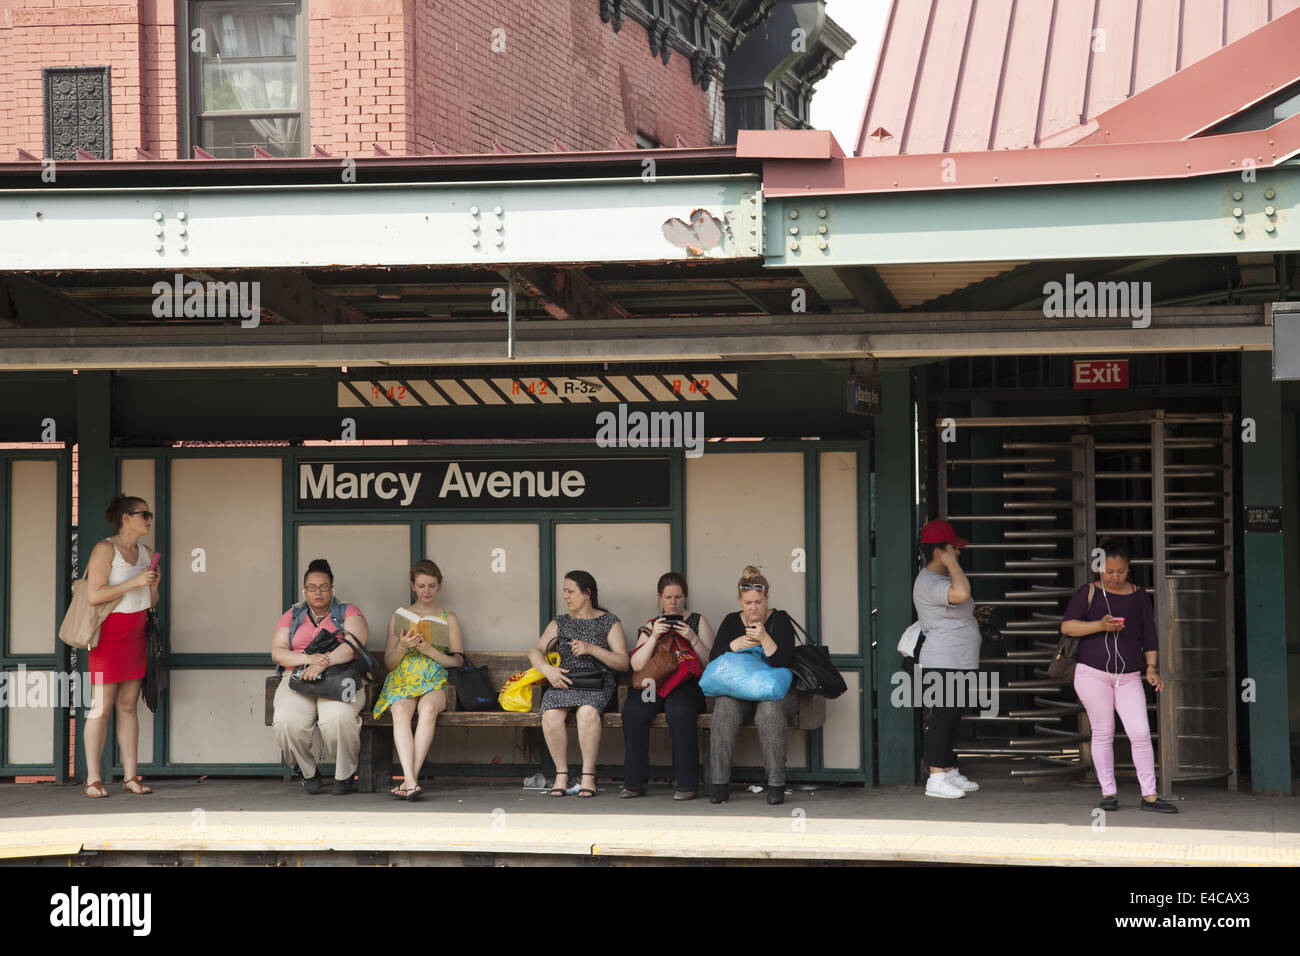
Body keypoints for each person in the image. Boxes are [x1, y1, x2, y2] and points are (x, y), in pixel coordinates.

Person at [1061, 540, 1176, 813]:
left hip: (1129, 675)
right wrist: (1099, 625)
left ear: (1129, 569)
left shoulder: (1139, 595)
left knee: (1140, 732)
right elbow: (1067, 626)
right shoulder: (1087, 592)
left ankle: (1149, 795)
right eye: (1109, 571)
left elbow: (1149, 633)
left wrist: (1152, 669)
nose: (1114, 577)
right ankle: (1108, 793)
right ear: (1099, 568)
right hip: (1092, 673)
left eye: (1121, 571)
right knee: (1103, 731)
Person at [82, 495, 161, 798]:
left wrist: (152, 583)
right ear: (126, 518)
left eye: (149, 514)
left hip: (137, 633)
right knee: (101, 706)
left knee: (129, 706)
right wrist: (136, 581)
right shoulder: (106, 549)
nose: (149, 519)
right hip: (108, 634)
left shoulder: (146, 552)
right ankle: (93, 778)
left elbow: (151, 601)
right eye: (144, 514)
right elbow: (94, 595)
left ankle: (130, 775)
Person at [270, 559, 370, 795]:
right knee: (286, 722)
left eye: (324, 587)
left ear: (332, 589)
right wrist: (308, 660)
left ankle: (344, 774)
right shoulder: (293, 615)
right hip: (298, 678)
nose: (318, 592)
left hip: (339, 676)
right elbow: (278, 652)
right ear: (304, 590)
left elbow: (354, 645)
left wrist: (323, 662)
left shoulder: (348, 611)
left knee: (338, 718)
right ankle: (307, 772)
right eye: (312, 587)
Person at [528, 571, 628, 798]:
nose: (566, 596)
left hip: (597, 683)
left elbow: (623, 662)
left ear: (587, 593)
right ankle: (561, 774)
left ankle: (588, 775)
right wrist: (547, 670)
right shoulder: (559, 622)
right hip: (564, 680)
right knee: (551, 714)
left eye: (570, 591)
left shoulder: (609, 621)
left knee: (587, 713)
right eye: (564, 591)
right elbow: (535, 651)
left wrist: (592, 649)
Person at [373, 560, 464, 800]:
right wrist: (402, 645)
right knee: (401, 710)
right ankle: (411, 780)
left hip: (435, 678)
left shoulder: (448, 617)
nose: (427, 591)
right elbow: (389, 663)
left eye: (432, 586)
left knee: (428, 707)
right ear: (413, 586)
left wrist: (430, 651)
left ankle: (409, 780)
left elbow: (458, 662)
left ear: (439, 586)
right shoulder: (399, 617)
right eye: (422, 585)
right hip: (403, 678)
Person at [620, 572, 715, 800]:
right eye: (668, 597)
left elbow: (711, 663)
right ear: (659, 598)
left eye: (678, 597)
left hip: (685, 682)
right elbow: (636, 664)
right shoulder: (652, 624)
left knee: (680, 712)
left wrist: (692, 638)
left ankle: (686, 784)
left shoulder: (698, 621)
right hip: (656, 683)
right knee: (633, 712)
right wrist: (654, 637)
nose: (673, 602)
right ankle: (634, 782)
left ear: (685, 597)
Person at [707, 566, 797, 806]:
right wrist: (734, 645)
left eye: (758, 601)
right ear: (740, 601)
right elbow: (713, 661)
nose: (754, 607)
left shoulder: (780, 619)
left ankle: (776, 785)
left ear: (767, 598)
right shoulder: (730, 621)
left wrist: (765, 638)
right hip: (740, 692)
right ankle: (719, 785)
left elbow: (785, 661)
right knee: (724, 706)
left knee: (768, 711)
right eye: (748, 602)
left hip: (775, 694)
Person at [912, 519, 982, 799]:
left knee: (952, 716)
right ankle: (936, 777)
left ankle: (948, 770)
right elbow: (962, 592)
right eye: (954, 548)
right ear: (939, 551)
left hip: (959, 658)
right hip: (944, 659)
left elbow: (959, 602)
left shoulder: (940, 580)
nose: (959, 553)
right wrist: (951, 563)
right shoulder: (929, 580)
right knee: (942, 718)